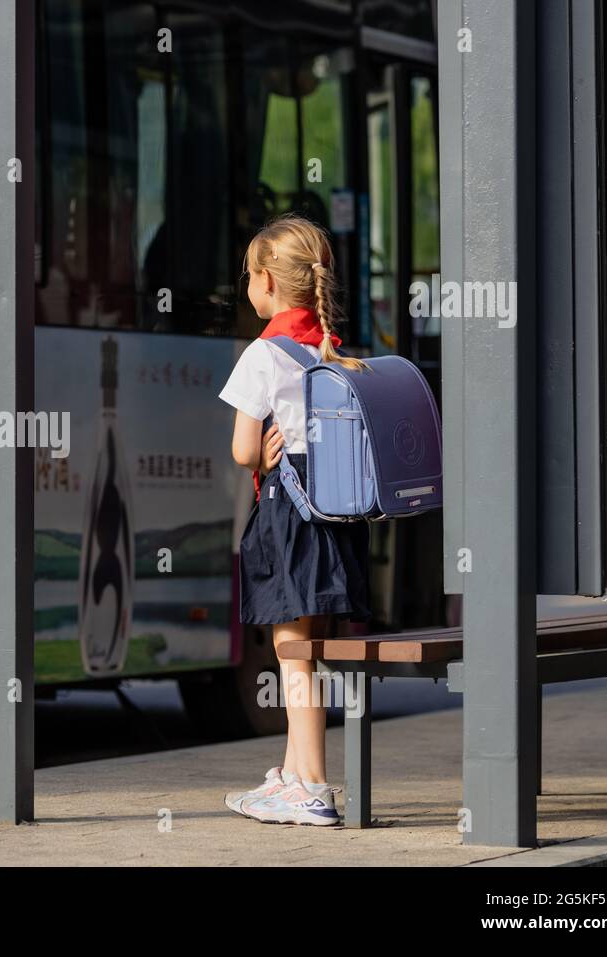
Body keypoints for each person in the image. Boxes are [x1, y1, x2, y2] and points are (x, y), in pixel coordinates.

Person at [217, 213, 372, 826]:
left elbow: (242, 449)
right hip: (329, 520)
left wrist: (260, 453)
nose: (246, 288)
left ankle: (314, 789)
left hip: (286, 517)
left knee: (292, 655)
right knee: (305, 648)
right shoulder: (324, 348)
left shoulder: (262, 354)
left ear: (267, 282)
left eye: (249, 277)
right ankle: (289, 778)